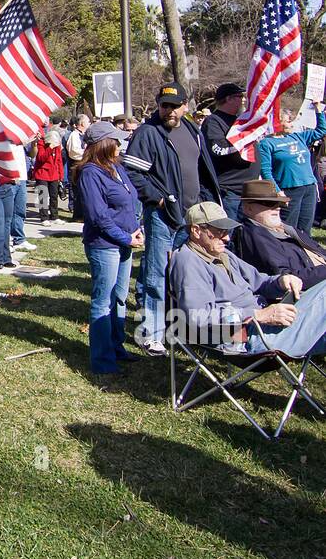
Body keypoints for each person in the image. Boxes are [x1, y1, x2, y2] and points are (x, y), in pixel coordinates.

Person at [123, 82, 222, 357]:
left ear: (185, 106)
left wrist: (204, 197)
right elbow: (132, 172)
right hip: (162, 215)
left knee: (182, 274)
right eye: (164, 105)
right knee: (156, 274)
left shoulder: (192, 130)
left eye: (174, 106)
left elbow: (202, 169)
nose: (169, 111)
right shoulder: (147, 133)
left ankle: (177, 329)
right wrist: (159, 198)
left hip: (192, 216)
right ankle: (150, 335)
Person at [168, 201, 326, 359]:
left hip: (264, 325)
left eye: (227, 231)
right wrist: (257, 315)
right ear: (196, 231)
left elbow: (260, 281)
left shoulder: (222, 254)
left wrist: (281, 281)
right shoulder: (188, 262)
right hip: (245, 338)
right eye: (219, 231)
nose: (227, 238)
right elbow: (200, 315)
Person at [73, 121, 144, 375]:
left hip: (125, 241)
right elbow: (98, 216)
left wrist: (136, 229)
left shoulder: (117, 167)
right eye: (116, 140)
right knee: (103, 302)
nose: (120, 144)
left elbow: (131, 200)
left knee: (120, 297)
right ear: (104, 144)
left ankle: (116, 348)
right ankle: (102, 360)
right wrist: (126, 238)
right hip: (105, 246)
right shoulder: (90, 173)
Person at [234, 178, 326, 291]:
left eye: (278, 203)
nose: (277, 207)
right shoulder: (254, 234)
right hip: (309, 292)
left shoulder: (285, 228)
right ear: (248, 208)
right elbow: (285, 277)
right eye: (268, 203)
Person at [257, 102, 326, 237]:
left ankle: (305, 255)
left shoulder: (297, 136)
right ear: (278, 122)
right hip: (289, 190)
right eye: (289, 121)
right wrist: (277, 191)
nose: (292, 124)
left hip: (309, 187)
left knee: (305, 228)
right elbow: (266, 171)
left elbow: (321, 131)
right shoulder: (267, 143)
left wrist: (318, 111)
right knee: (288, 228)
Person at [200, 83, 253, 223]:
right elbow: (218, 148)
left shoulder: (240, 121)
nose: (243, 100)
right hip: (230, 190)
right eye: (239, 96)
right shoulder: (213, 121)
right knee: (229, 232)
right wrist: (243, 141)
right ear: (228, 99)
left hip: (247, 189)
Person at [32, 127, 63, 222]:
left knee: (54, 196)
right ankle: (44, 217)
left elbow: (59, 161)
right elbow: (41, 158)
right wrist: (50, 148)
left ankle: (54, 216)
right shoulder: (41, 144)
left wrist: (60, 175)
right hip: (42, 174)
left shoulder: (57, 147)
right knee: (43, 196)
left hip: (53, 174)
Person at [10, 144, 36, 251]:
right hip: (9, 177)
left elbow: (32, 154)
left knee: (19, 210)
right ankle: (5, 241)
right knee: (7, 212)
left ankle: (19, 239)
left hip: (22, 177)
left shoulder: (22, 136)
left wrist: (34, 144)